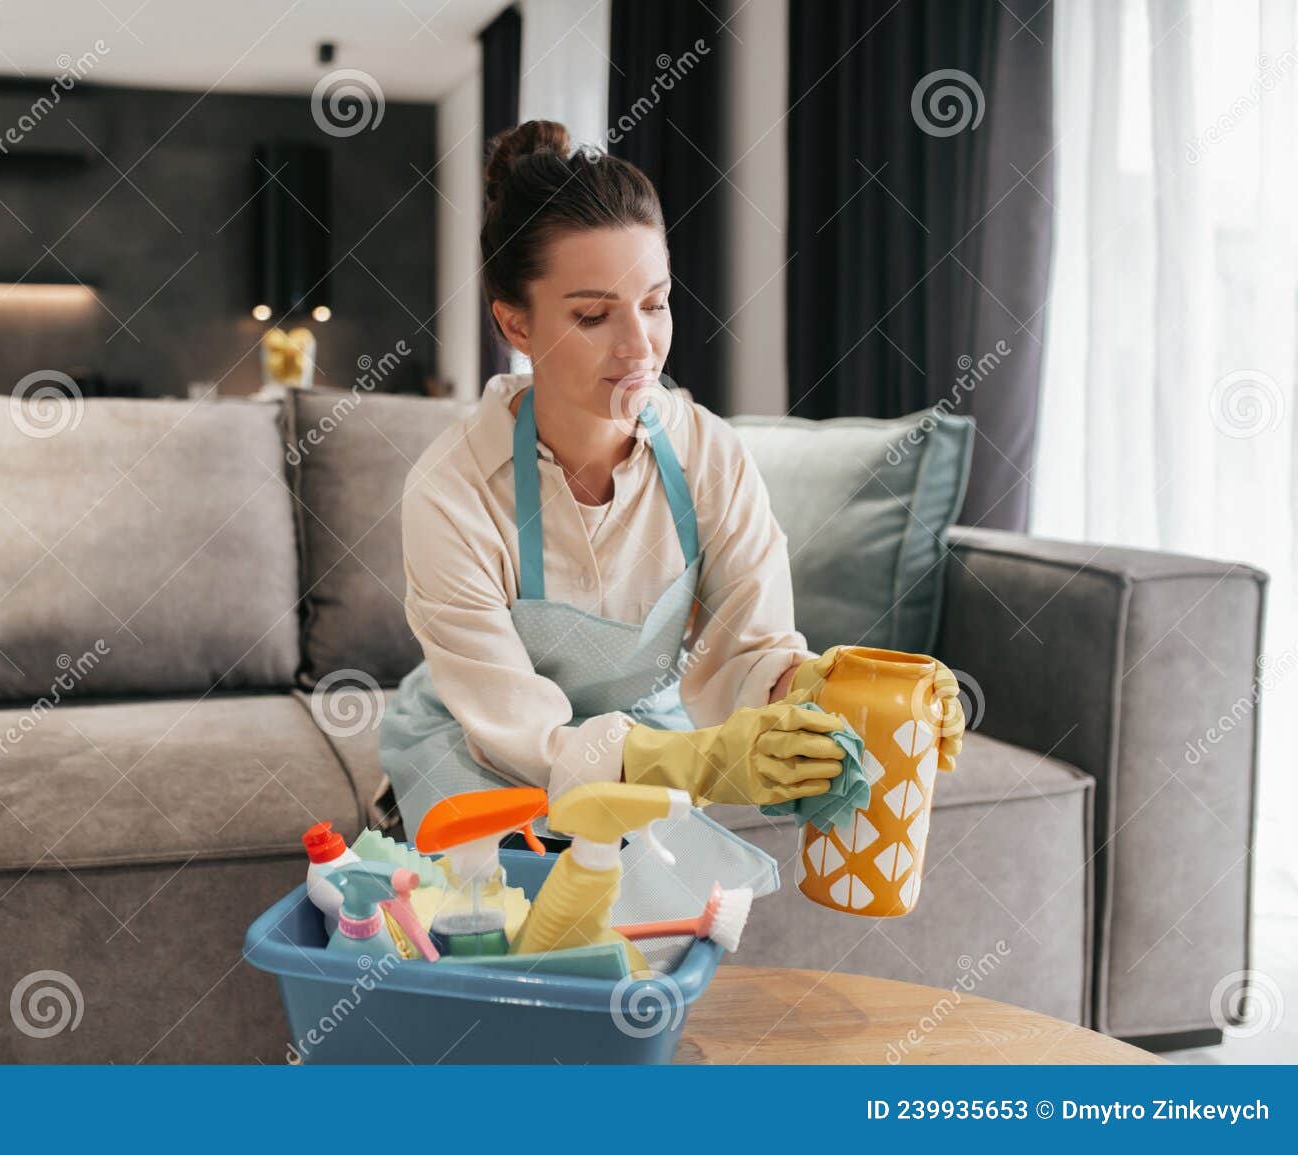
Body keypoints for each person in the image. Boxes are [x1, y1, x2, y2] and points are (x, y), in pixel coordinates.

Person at [379, 120, 958, 891]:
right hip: (488, 750)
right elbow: (522, 735)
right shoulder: (452, 491)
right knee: (518, 925)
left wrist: (843, 692)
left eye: (654, 304)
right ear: (515, 323)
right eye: (593, 315)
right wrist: (696, 760)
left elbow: (752, 653)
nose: (639, 348)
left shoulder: (707, 455)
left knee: (653, 955)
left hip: (644, 741)